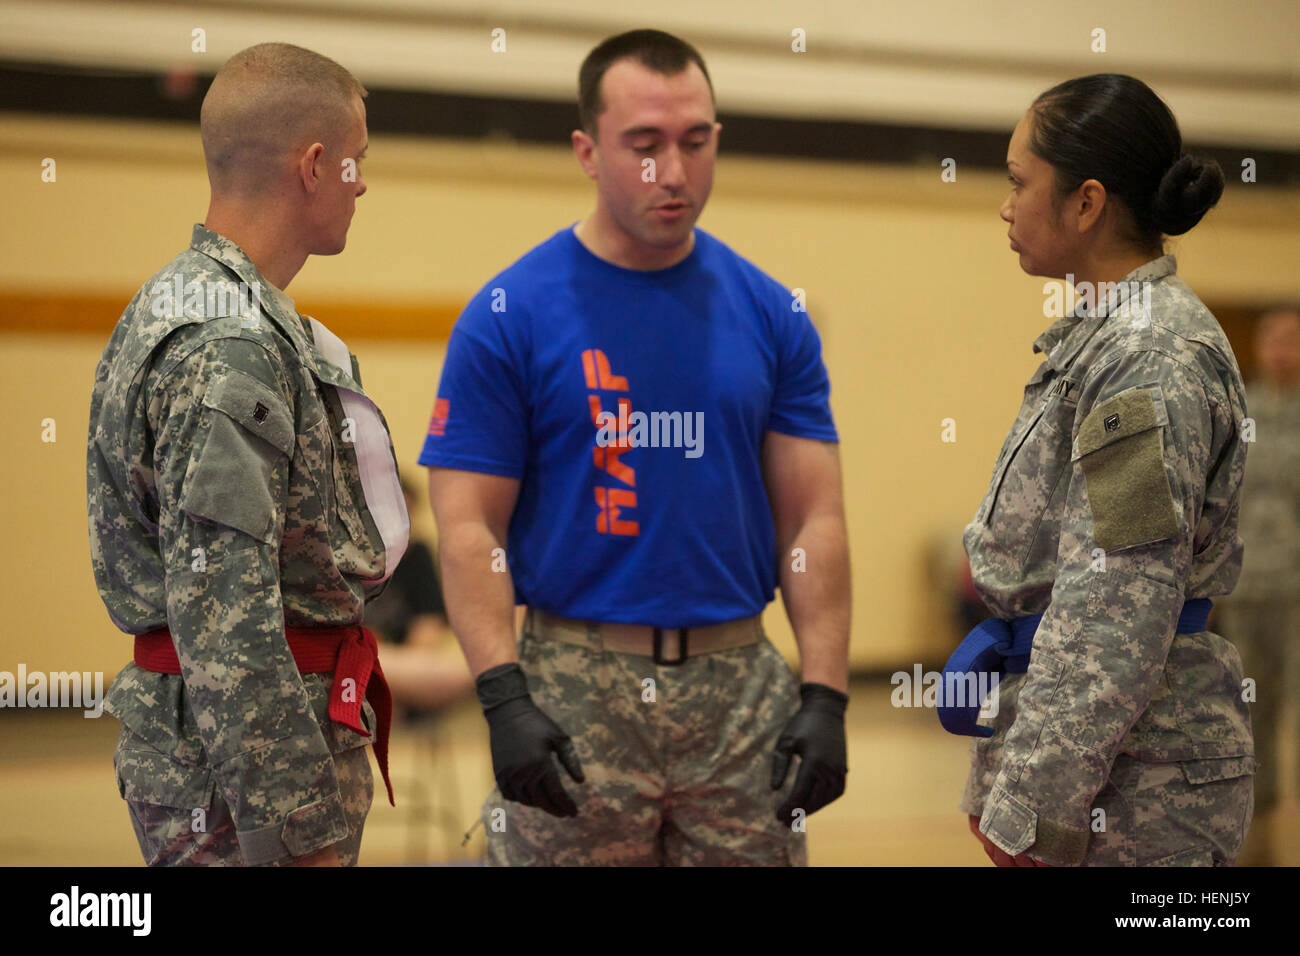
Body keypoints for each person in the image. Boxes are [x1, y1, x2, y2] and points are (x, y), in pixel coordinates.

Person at [420, 28, 850, 866]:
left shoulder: (771, 313)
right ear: (587, 150)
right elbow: (470, 524)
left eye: (695, 142)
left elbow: (814, 520)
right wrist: (503, 693)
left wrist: (827, 692)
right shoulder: (511, 313)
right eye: (644, 146)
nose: (675, 173)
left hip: (739, 691)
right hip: (573, 689)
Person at [86, 42, 409, 866]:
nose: (363, 184)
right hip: (243, 780)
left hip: (225, 753)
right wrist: (294, 832)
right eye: (355, 161)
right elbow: (223, 615)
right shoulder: (230, 343)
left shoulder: (183, 304)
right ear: (312, 165)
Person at [943, 73, 1255, 866]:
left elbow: (1119, 605)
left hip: (1134, 791)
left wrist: (1032, 810)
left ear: (1086, 203)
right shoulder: (1106, 338)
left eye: (1020, 184)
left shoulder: (1147, 355)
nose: (1006, 206)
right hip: (1103, 765)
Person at [1216, 305, 1300, 865]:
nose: (1282, 350)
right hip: (1248, 584)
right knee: (1252, 705)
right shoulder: (1237, 409)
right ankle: (1259, 809)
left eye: (1293, 340)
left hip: (1298, 588)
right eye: (1274, 339)